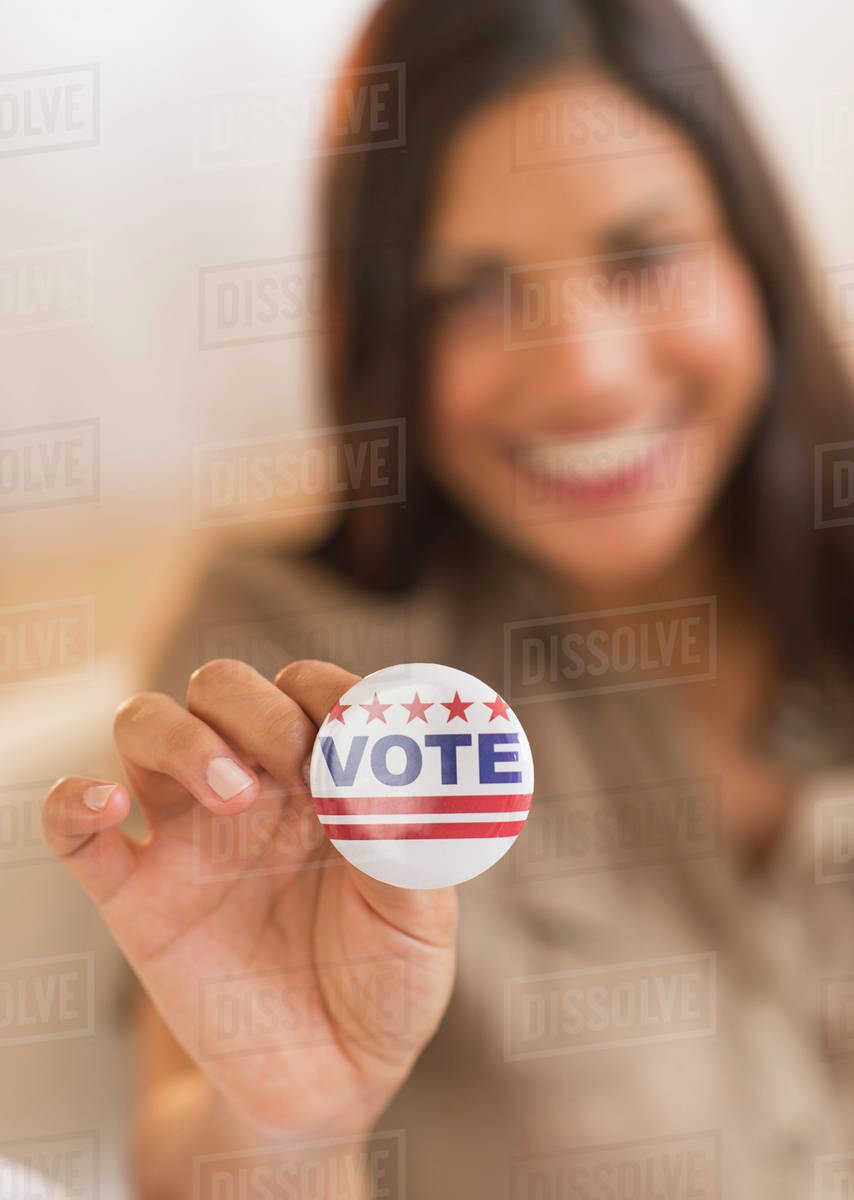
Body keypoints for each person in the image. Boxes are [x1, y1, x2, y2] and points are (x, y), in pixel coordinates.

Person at [42, 0, 854, 1195]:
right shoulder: (295, 671)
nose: (584, 373)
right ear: (385, 330)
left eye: (642, 256)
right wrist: (286, 1129)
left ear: (755, 261)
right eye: (472, 292)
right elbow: (189, 1146)